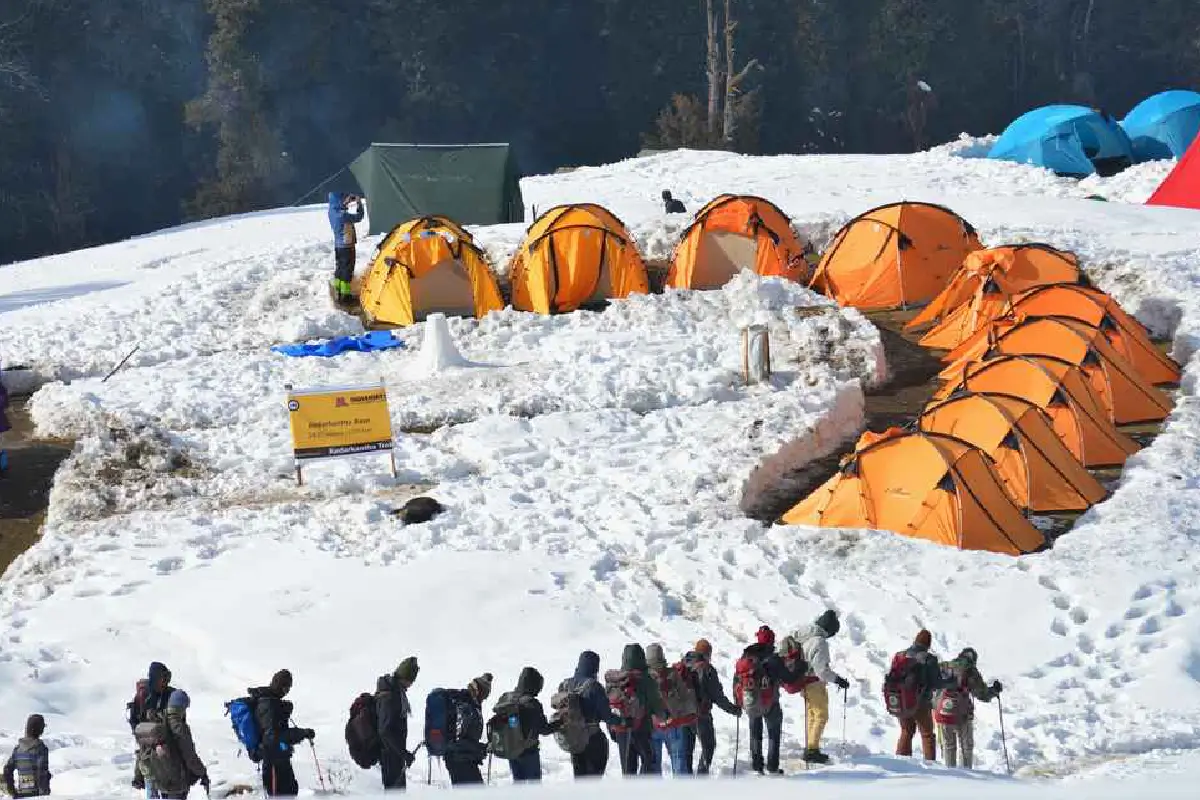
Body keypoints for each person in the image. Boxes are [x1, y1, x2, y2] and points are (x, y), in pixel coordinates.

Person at [735, 625, 804, 775]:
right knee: (773, 734)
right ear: (772, 641)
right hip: (771, 702)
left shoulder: (746, 658)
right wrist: (801, 667)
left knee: (755, 734)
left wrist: (738, 702)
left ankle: (757, 766)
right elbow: (789, 679)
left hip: (751, 702)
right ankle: (772, 767)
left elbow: (737, 681)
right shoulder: (774, 659)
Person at [791, 610, 850, 764]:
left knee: (812, 715)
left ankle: (811, 745)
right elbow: (821, 670)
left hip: (804, 681)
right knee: (821, 715)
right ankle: (812, 750)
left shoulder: (806, 637)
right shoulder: (820, 642)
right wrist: (837, 680)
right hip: (815, 683)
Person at [934, 648, 1002, 769]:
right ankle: (967, 775)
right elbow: (982, 694)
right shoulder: (971, 671)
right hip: (962, 714)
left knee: (949, 745)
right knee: (966, 746)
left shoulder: (945, 666)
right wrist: (994, 691)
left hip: (942, 712)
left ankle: (950, 774)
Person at [250, 669, 314, 796]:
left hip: (279, 759)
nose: (287, 692)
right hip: (273, 760)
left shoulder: (272, 702)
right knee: (282, 794)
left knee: (289, 792)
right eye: (286, 688)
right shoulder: (268, 704)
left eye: (289, 688)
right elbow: (274, 737)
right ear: (279, 685)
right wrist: (302, 733)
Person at [136, 690, 210, 799]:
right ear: (182, 706)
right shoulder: (178, 726)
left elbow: (142, 751)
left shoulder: (158, 720)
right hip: (176, 781)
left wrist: (138, 775)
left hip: (160, 778)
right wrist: (202, 772)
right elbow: (189, 756)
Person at [556, 651, 619, 778]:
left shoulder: (565, 685)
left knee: (580, 781)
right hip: (593, 740)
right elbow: (606, 716)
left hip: (575, 740)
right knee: (594, 780)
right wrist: (622, 721)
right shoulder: (594, 686)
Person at [682, 639, 741, 775]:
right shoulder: (707, 669)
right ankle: (702, 779)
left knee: (686, 752)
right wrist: (734, 709)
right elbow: (718, 697)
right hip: (700, 716)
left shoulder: (684, 665)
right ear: (708, 654)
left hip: (682, 716)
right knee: (708, 746)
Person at [492, 667, 560, 783]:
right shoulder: (532, 703)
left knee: (519, 786)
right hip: (529, 752)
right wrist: (560, 722)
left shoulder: (507, 698)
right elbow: (544, 730)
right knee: (534, 789)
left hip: (511, 750)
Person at [607, 644, 665, 776]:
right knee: (648, 762)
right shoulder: (647, 679)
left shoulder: (615, 679)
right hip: (642, 729)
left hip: (621, 731)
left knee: (627, 770)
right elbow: (657, 706)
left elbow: (608, 705)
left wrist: (612, 728)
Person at [645, 643, 699, 775]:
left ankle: (655, 794)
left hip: (652, 726)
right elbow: (685, 697)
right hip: (673, 725)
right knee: (679, 762)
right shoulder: (672, 674)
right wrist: (690, 714)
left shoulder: (644, 677)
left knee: (653, 765)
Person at [892, 629, 942, 762]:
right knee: (927, 735)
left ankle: (901, 762)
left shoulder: (900, 655)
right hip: (922, 703)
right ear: (928, 644)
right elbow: (936, 682)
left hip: (902, 701)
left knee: (906, 731)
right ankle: (930, 764)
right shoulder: (929, 659)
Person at [128, 663, 175, 790]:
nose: (165, 682)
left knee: (149, 764)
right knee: (151, 769)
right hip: (151, 742)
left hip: (155, 742)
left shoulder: (166, 694)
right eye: (163, 678)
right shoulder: (147, 696)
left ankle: (141, 781)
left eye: (167, 678)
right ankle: (142, 782)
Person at [376, 657, 419, 792]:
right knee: (395, 793)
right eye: (410, 681)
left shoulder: (396, 692)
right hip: (390, 757)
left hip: (394, 755)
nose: (411, 685)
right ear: (404, 678)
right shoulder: (390, 697)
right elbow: (385, 731)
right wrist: (403, 753)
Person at [442, 673, 492, 786]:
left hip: (464, 759)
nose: (484, 698)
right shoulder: (465, 707)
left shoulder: (470, 705)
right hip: (459, 760)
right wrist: (481, 748)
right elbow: (457, 741)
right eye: (484, 694)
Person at [328, 191, 365, 303]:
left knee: (340, 268)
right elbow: (359, 217)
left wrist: (347, 202)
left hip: (338, 246)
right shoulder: (343, 215)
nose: (345, 201)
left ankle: (338, 291)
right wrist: (359, 204)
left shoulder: (332, 211)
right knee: (347, 272)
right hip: (347, 246)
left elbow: (341, 208)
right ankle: (346, 296)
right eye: (342, 200)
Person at [3, 714, 50, 797]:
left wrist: (12, 792)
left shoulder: (18, 749)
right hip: (38, 794)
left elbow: (7, 770)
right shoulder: (40, 748)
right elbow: (41, 771)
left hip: (22, 794)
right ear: (39, 729)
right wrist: (43, 794)